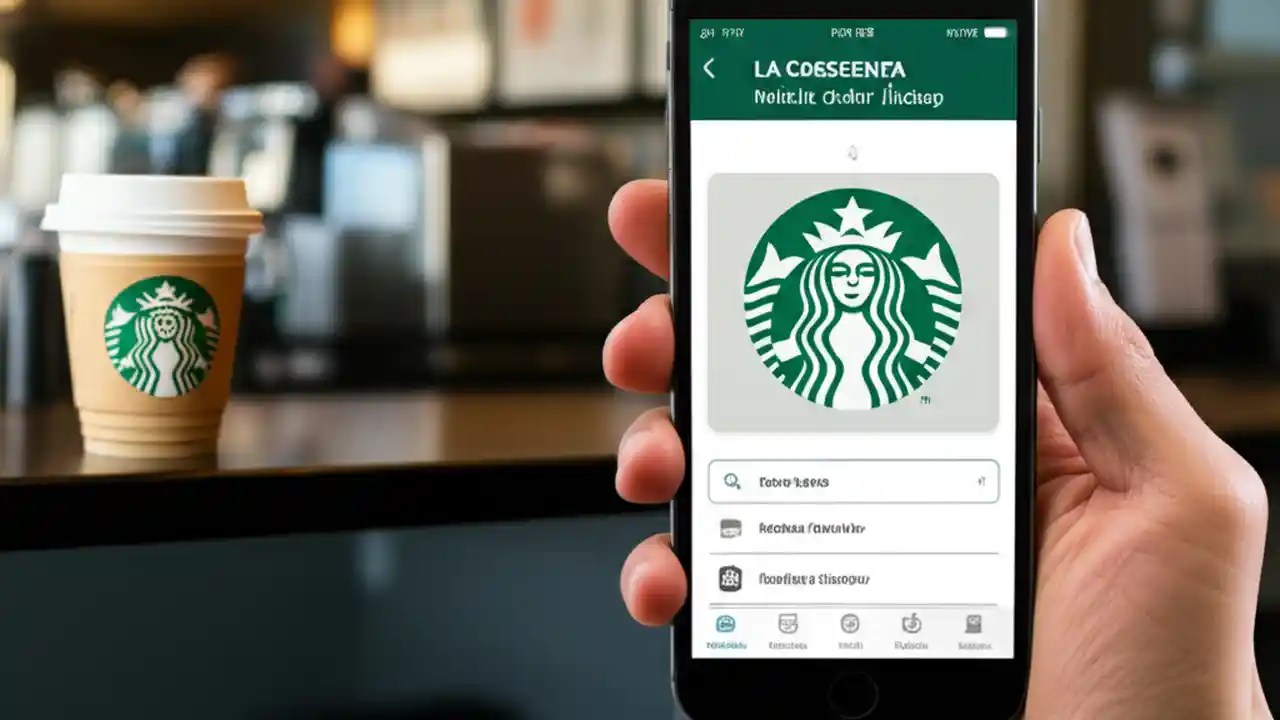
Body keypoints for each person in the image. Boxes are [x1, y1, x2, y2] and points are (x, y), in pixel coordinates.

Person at [603, 179, 1273, 719]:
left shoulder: (908, 346)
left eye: (869, 268)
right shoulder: (803, 347)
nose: (854, 280)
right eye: (840, 269)